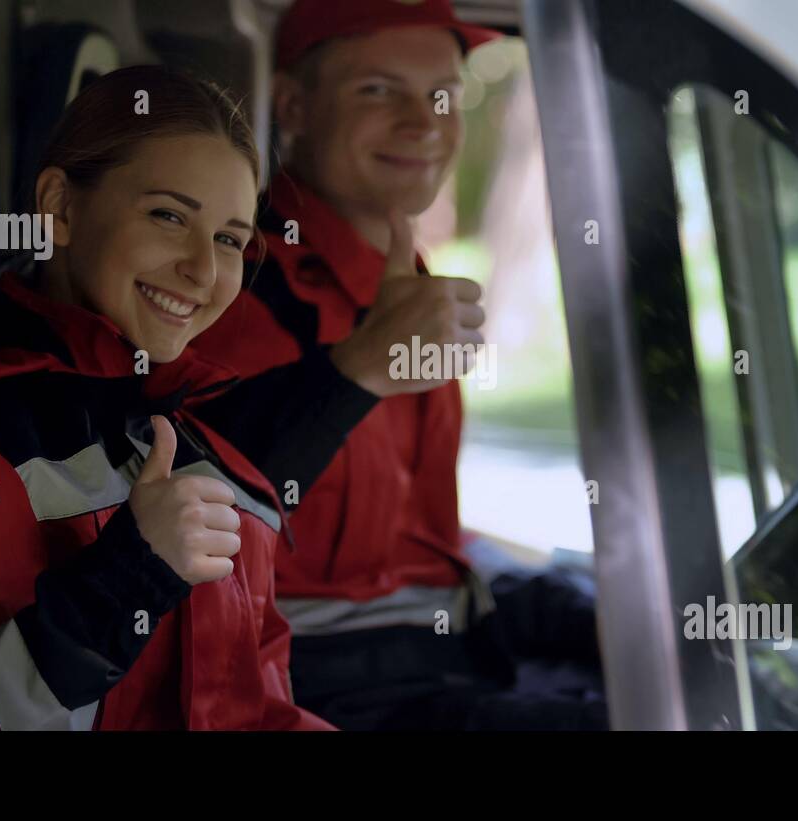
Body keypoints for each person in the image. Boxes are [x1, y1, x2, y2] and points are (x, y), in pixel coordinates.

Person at [192, 0, 606, 730]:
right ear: (292, 103)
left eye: (443, 94)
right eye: (379, 91)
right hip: (314, 692)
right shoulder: (226, 286)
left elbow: (424, 557)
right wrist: (353, 371)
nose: (424, 123)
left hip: (448, 657)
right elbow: (185, 508)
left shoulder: (409, 281)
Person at [0, 65, 330, 730]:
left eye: (228, 238)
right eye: (168, 216)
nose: (202, 268)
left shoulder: (205, 448)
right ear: (59, 208)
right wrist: (126, 578)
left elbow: (258, 709)